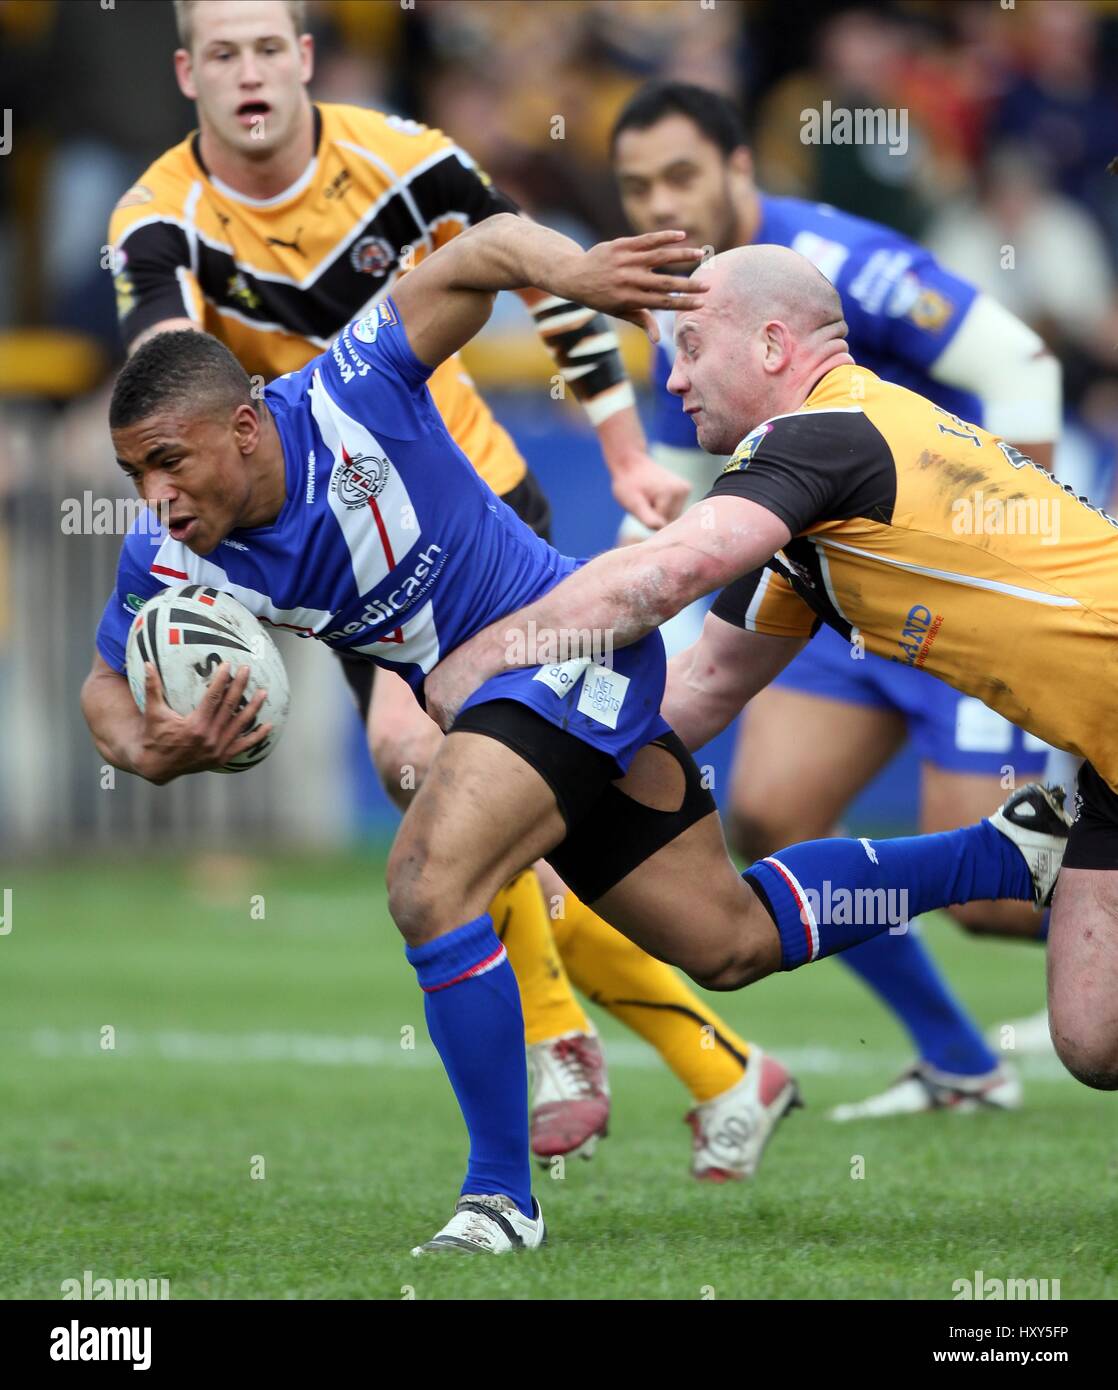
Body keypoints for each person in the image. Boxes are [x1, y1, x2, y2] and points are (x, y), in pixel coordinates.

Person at [82, 216, 1069, 1254]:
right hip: (507, 701)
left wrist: (580, 274)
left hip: (563, 654)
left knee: (427, 879)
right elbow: (106, 686)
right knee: (723, 939)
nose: (156, 496)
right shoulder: (169, 551)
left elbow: (478, 249)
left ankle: (499, 1198)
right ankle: (1007, 849)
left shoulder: (345, 394)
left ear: (243, 428)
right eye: (134, 475)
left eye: (166, 462)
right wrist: (147, 749)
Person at [109, 0, 788, 1174]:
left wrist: (621, 445)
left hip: (455, 500)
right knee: (527, 821)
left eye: (269, 46)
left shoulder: (407, 160)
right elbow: (161, 381)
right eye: (223, 52)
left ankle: (559, 1036)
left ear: (305, 59)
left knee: (437, 787)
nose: (249, 70)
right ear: (187, 73)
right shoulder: (154, 216)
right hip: (295, 529)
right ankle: (721, 1066)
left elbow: (538, 272)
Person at [424, 241, 1117, 1103]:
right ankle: (1012, 850)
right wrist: (544, 783)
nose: (672, 384)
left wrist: (482, 665)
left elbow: (663, 573)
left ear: (773, 346)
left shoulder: (827, 436)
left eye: (689, 347)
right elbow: (703, 685)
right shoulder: (808, 504)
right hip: (1103, 758)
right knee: (1095, 1040)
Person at [604, 80, 1064, 1116]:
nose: (656, 205)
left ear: (738, 169)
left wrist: (1007, 552)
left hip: (954, 573)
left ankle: (1091, 928)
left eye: (680, 174)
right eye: (634, 186)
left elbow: (1021, 364)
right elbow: (702, 480)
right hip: (823, 576)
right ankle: (958, 1059)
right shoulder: (673, 298)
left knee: (993, 891)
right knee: (770, 810)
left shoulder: (841, 264)